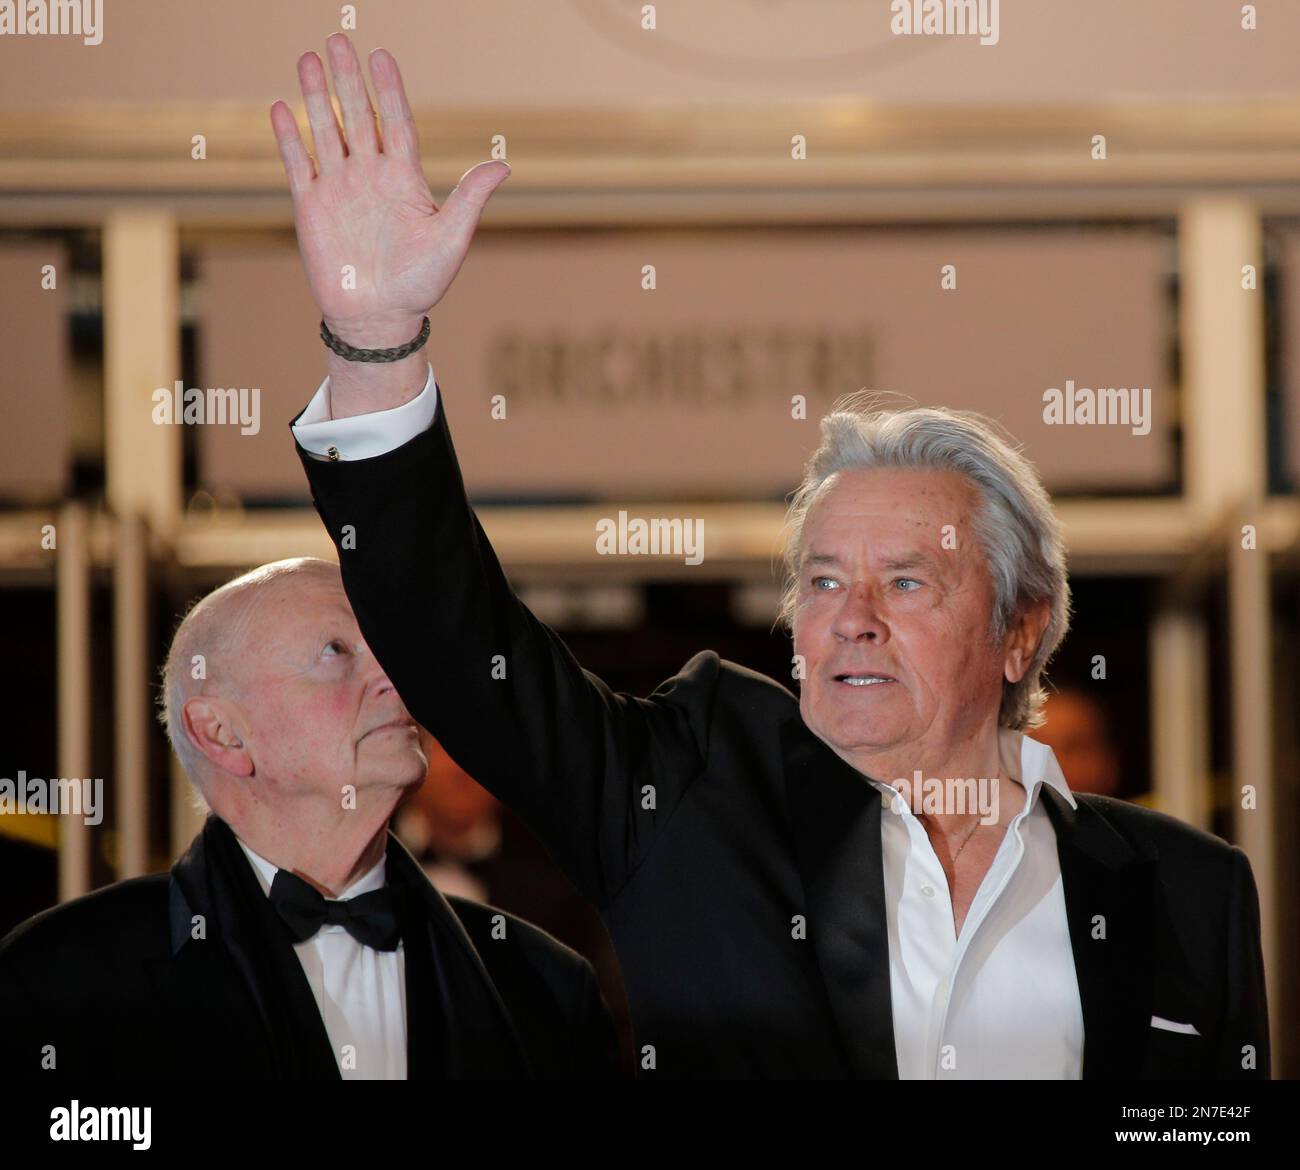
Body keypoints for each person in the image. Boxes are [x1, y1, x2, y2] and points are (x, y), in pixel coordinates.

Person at [275, 33, 1269, 1078]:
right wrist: (376, 340)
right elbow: (454, 639)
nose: (854, 615)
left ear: (1021, 628)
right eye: (824, 579)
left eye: (909, 581)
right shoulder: (698, 794)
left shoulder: (1185, 889)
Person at [0, 558, 619, 1080]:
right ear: (221, 734)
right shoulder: (58, 982)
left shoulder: (547, 989)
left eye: (390, 650)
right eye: (337, 652)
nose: (397, 680)